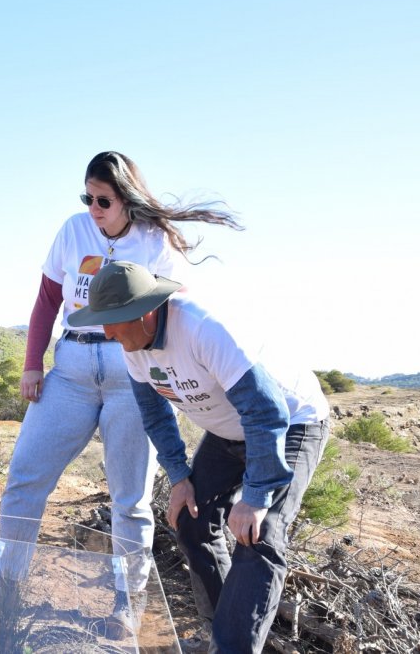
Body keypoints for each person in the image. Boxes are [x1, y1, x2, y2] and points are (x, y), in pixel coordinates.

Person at [0, 151, 241, 634]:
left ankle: (126, 605)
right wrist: (31, 363)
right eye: (86, 197)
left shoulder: (156, 240)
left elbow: (174, 314)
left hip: (133, 369)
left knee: (129, 499)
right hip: (72, 365)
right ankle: (4, 585)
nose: (93, 208)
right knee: (24, 476)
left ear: (127, 199)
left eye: (103, 200)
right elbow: (47, 300)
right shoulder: (73, 230)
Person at [67, 261, 330, 652]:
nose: (107, 332)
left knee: (261, 534)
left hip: (291, 424)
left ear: (146, 312)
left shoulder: (204, 329)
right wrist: (179, 477)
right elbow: (154, 413)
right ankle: (223, 634)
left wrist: (256, 497)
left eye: (115, 321)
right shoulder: (133, 345)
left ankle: (233, 646)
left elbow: (266, 412)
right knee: (191, 521)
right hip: (228, 431)